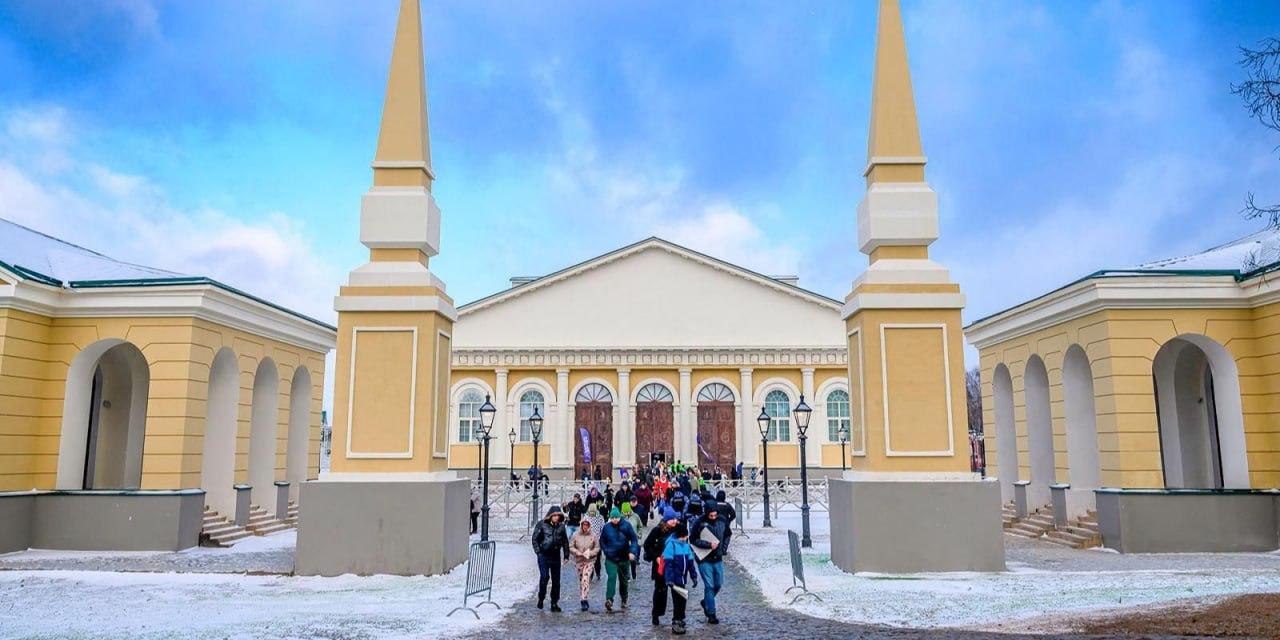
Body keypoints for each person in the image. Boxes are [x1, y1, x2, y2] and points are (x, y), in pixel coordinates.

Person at [691, 501, 731, 625]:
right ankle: (711, 613)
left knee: (718, 583)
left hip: (717, 558)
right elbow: (693, 540)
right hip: (704, 558)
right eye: (711, 515)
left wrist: (724, 548)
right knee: (709, 585)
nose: (713, 517)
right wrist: (708, 545)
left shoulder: (722, 520)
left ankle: (706, 602)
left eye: (715, 515)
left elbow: (728, 534)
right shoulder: (699, 522)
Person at [598, 507, 639, 612]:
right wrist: (606, 551)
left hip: (624, 557)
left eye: (616, 517)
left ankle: (624, 598)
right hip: (611, 558)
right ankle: (609, 599)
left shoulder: (626, 526)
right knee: (611, 577)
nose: (615, 519)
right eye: (612, 518)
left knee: (624, 580)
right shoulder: (606, 528)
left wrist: (632, 551)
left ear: (619, 517)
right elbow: (602, 541)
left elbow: (634, 539)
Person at [662, 520, 699, 635]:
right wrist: (669, 580)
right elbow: (668, 565)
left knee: (683, 600)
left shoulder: (686, 546)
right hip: (674, 580)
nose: (684, 539)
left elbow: (691, 563)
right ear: (678, 536)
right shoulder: (671, 545)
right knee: (677, 601)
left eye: (685, 536)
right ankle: (676, 621)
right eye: (683, 537)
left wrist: (694, 576)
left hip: (683, 579)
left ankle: (681, 619)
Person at [643, 508, 679, 627]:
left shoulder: (679, 530)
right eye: (671, 519)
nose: (674, 521)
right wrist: (656, 557)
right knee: (660, 591)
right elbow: (647, 545)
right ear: (666, 520)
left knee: (677, 591)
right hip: (661, 566)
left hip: (675, 565)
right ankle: (656, 614)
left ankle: (677, 617)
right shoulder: (657, 530)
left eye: (675, 518)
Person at [530, 505, 570, 612]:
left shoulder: (561, 527)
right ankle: (541, 597)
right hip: (544, 555)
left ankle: (554, 602)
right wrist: (538, 552)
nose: (556, 517)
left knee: (556, 580)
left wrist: (566, 555)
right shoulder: (542, 525)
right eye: (554, 515)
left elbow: (565, 541)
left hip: (555, 555)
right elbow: (535, 539)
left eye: (558, 515)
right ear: (550, 516)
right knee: (545, 577)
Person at [569, 518, 601, 612]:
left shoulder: (593, 535)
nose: (585, 526)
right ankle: (583, 594)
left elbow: (597, 548)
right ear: (581, 525)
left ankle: (584, 600)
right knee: (581, 580)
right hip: (579, 561)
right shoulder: (575, 535)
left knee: (585, 579)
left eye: (587, 525)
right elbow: (570, 546)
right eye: (584, 524)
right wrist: (576, 552)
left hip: (589, 561)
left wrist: (590, 553)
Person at [622, 501, 644, 579]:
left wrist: (638, 535)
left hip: (633, 542)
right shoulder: (620, 518)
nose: (626, 514)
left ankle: (633, 573)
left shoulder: (635, 516)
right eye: (624, 512)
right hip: (624, 543)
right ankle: (627, 575)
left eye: (627, 512)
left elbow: (640, 526)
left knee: (632, 559)